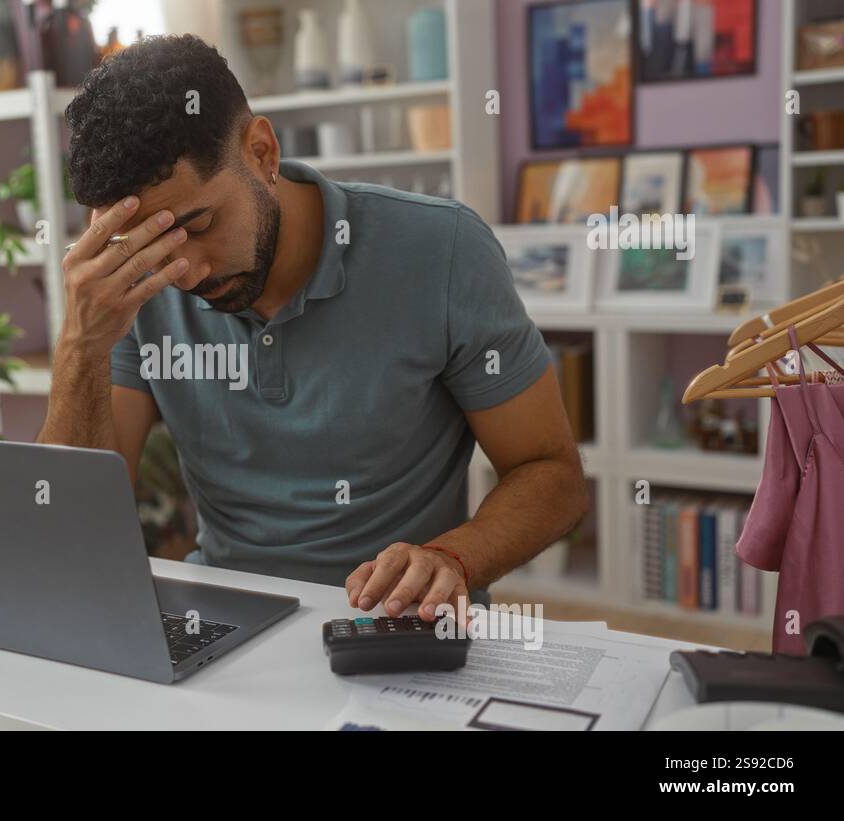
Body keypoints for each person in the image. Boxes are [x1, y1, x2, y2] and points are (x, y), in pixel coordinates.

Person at [38, 35, 587, 622]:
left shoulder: (441, 251)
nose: (185, 271)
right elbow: (71, 521)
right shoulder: (140, 286)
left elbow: (552, 476)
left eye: (199, 225)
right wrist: (81, 343)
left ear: (262, 152)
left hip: (397, 623)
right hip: (221, 616)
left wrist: (452, 557)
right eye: (150, 245)